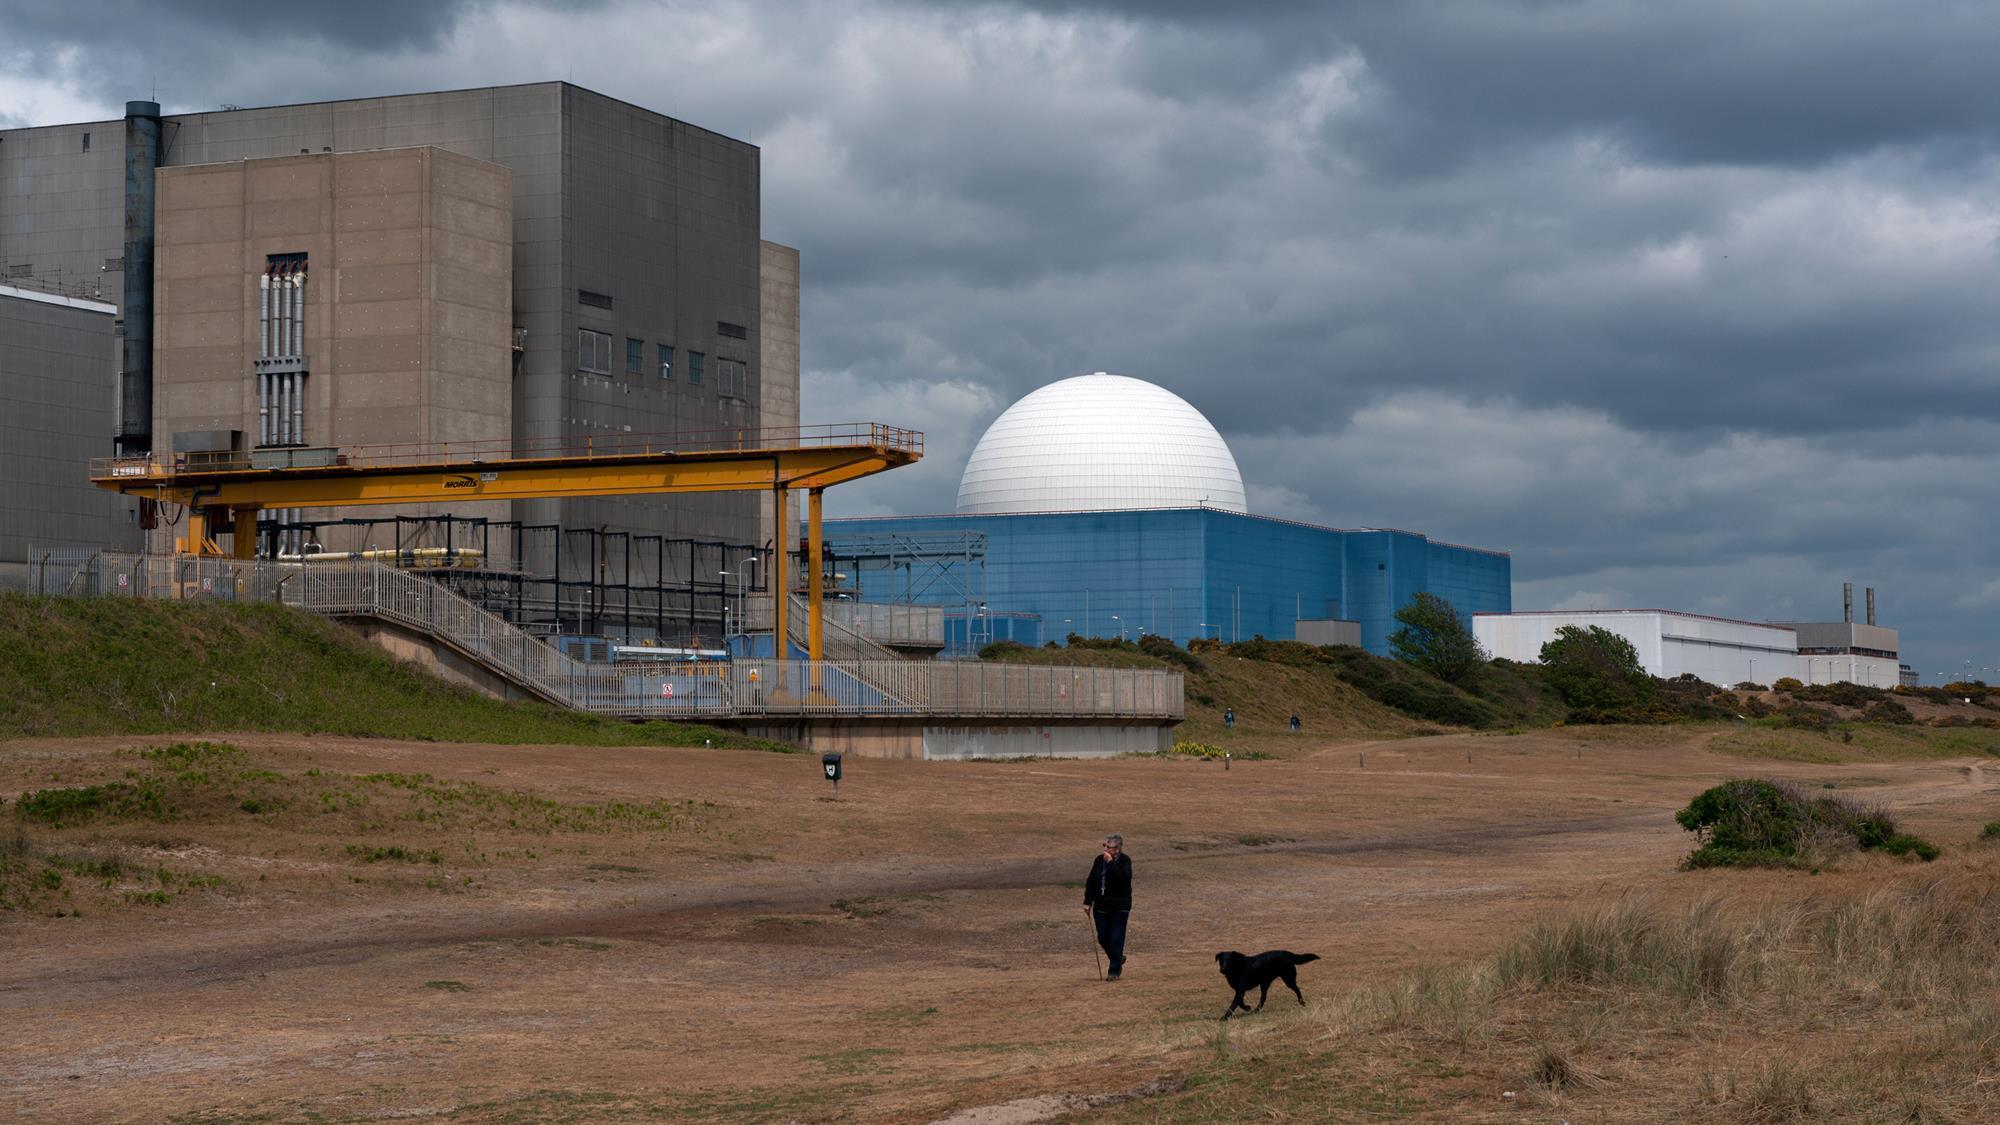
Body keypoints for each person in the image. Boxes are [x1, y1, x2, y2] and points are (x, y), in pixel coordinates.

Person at [1082, 833, 1132, 980]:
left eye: (1108, 847)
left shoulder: (1125, 861)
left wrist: (1111, 863)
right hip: (1101, 905)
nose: (1105, 849)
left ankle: (1114, 971)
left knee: (1116, 937)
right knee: (1103, 937)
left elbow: (1123, 880)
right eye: (1104, 846)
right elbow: (1091, 881)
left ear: (1117, 849)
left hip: (1120, 906)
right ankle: (1118, 957)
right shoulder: (1099, 860)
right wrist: (1087, 901)